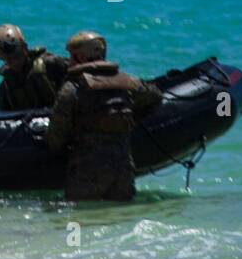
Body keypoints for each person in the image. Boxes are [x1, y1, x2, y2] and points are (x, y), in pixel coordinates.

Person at [46, 31, 163, 201]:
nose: (69, 61)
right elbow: (156, 97)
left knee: (85, 219)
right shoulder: (128, 83)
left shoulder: (72, 89)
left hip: (86, 174)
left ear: (81, 57)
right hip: (123, 173)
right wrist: (131, 121)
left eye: (72, 56)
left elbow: (55, 138)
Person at [0, 23, 68, 111]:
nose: (14, 62)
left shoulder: (51, 64)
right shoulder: (6, 88)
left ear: (25, 48)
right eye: (7, 59)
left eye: (17, 56)